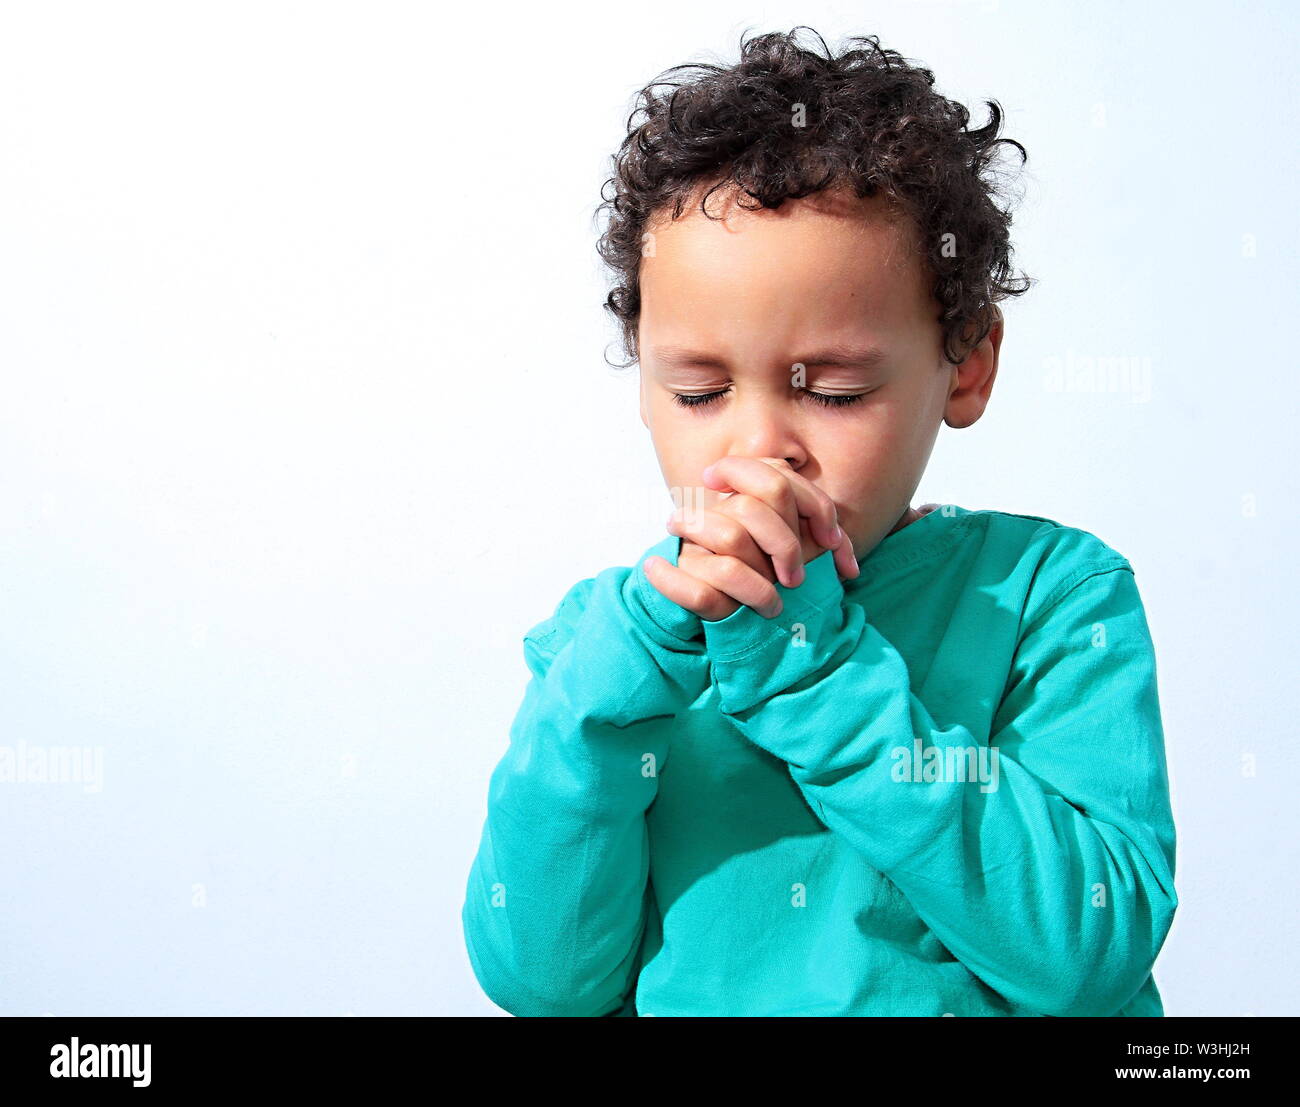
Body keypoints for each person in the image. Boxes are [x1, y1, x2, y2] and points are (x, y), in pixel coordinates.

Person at [461, 27, 1177, 1016]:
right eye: (700, 391)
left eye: (833, 392)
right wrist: (604, 709)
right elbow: (538, 980)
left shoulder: (1047, 599)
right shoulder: (601, 645)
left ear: (965, 365)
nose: (761, 447)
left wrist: (817, 677)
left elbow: (1088, 955)